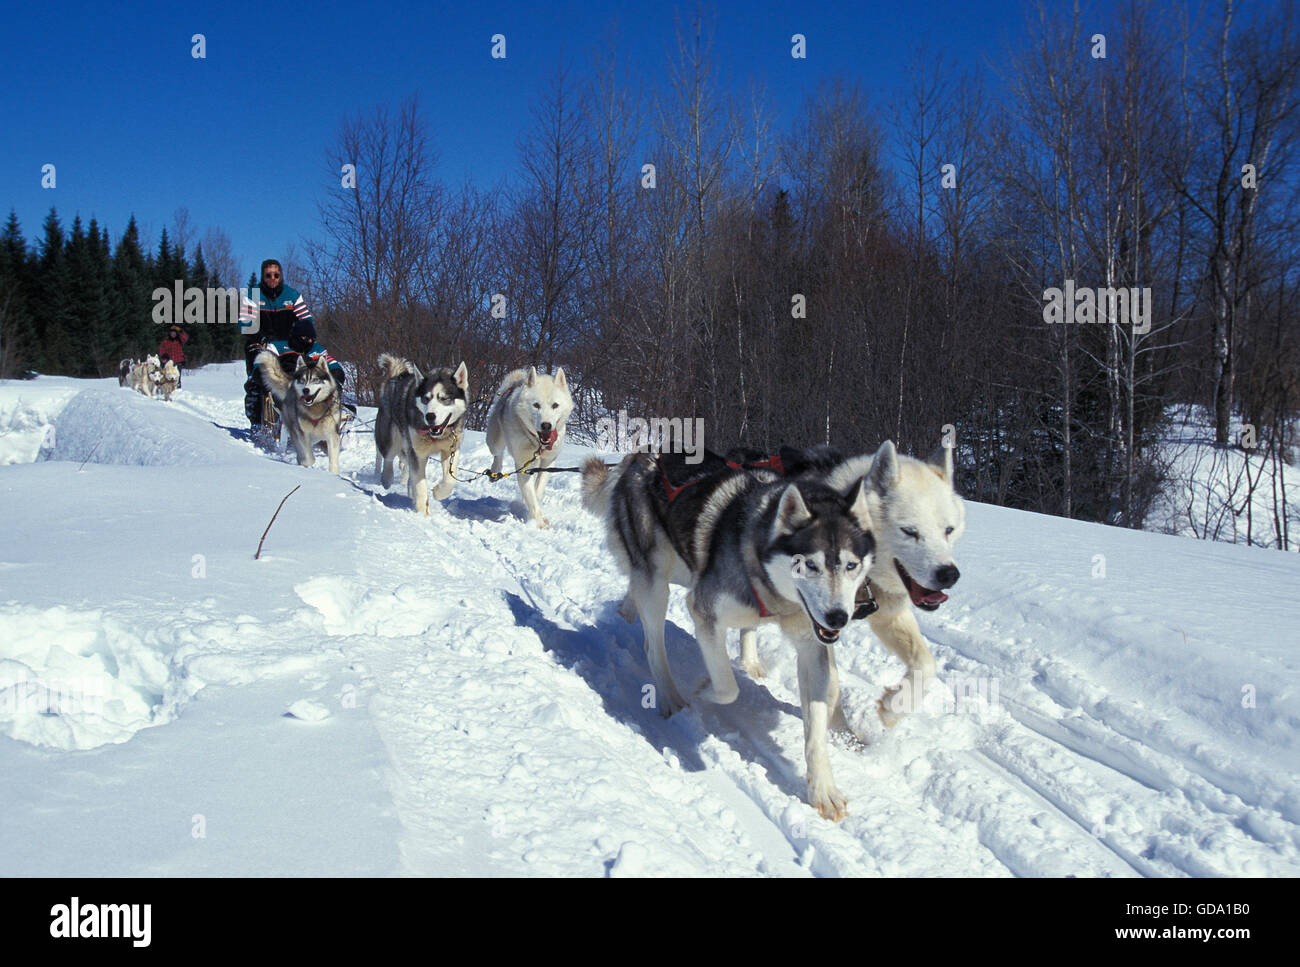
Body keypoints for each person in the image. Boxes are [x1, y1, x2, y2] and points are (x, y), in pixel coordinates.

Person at [241, 259, 315, 426]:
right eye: (268, 275)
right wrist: (259, 338)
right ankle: (257, 421)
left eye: (276, 275)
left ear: (281, 276)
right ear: (263, 277)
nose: (272, 278)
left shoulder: (292, 296)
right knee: (258, 380)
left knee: (299, 376)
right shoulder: (253, 295)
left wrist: (302, 337)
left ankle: (304, 416)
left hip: (287, 345)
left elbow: (307, 321)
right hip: (260, 344)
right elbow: (245, 322)